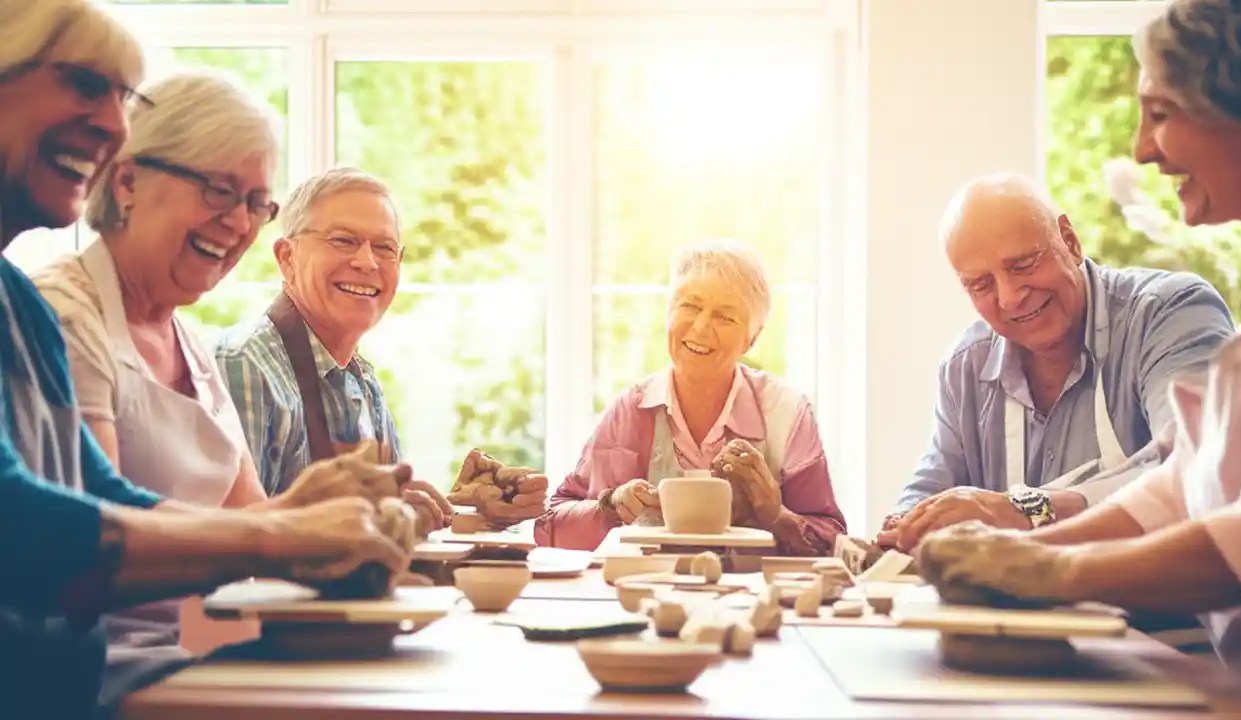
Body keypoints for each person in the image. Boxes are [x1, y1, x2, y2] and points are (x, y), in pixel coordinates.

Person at [0, 2, 415, 714]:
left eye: (256, 202)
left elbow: (120, 503)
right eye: (81, 83)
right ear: (126, 184)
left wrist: (307, 520)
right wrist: (283, 534)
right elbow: (41, 534)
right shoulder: (63, 308)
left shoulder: (22, 304)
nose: (110, 124)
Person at [919, 0, 1241, 676]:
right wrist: (1021, 556)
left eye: (1161, 114)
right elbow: (1187, 482)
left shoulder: (1169, 308)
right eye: (981, 283)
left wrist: (1046, 561)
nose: (1142, 148)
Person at [880, 173, 1235, 552]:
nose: (1011, 297)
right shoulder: (966, 366)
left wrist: (1028, 510)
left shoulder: (1168, 314)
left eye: (1023, 265)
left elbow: (1192, 462)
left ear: (1069, 240)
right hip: (1018, 608)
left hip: (1154, 603)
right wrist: (905, 528)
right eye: (981, 285)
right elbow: (935, 481)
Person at [213, 167, 541, 526]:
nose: (367, 262)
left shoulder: (362, 384)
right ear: (286, 258)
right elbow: (231, 539)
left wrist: (465, 511)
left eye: (384, 247)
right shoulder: (244, 366)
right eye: (343, 240)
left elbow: (372, 536)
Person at [536, 239, 846, 555]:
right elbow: (551, 529)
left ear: (751, 339)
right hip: (647, 596)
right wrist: (609, 508)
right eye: (690, 306)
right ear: (669, 313)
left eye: (725, 317)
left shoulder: (786, 412)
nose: (700, 327)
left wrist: (774, 515)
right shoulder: (631, 410)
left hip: (753, 599)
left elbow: (834, 541)